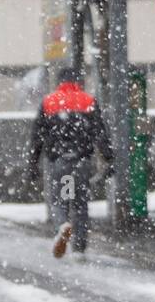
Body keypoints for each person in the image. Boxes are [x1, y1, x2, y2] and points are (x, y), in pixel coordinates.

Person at [29, 69, 114, 258]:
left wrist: (33, 164)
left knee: (60, 199)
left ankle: (62, 225)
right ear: (78, 82)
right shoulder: (88, 101)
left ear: (60, 82)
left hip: (58, 161)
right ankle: (79, 249)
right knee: (80, 204)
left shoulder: (49, 102)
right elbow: (100, 133)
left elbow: (37, 136)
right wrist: (109, 158)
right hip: (81, 160)